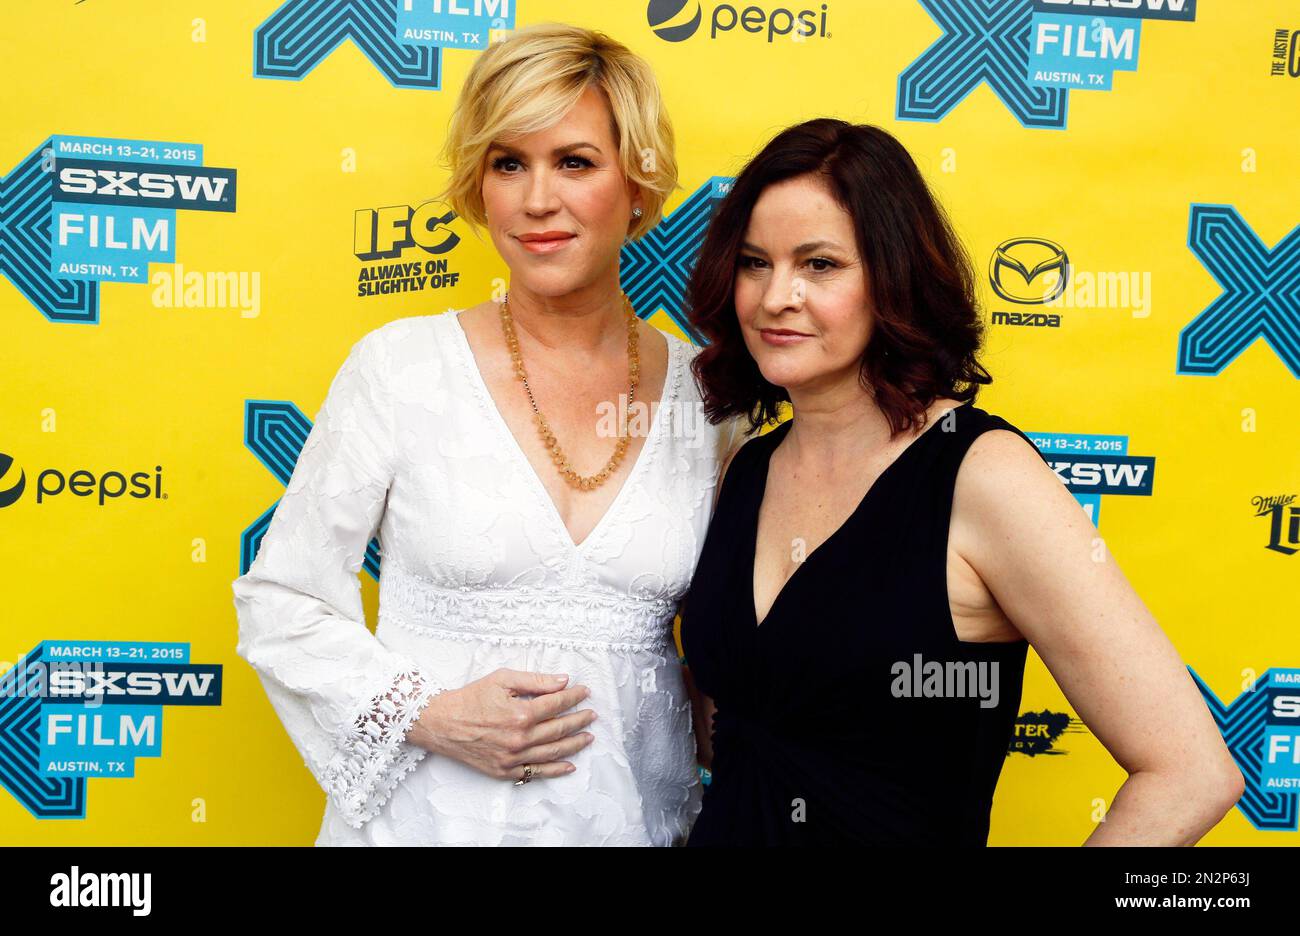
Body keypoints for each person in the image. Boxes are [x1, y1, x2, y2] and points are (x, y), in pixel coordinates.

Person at [232, 23, 741, 845]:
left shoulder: (711, 401)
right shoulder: (400, 368)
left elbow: (733, 647)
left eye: (575, 162)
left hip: (630, 826)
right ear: (480, 185)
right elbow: (283, 600)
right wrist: (430, 714)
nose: (538, 200)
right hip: (420, 825)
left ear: (639, 184)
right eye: (509, 163)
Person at [678, 118, 1245, 846]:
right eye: (756, 262)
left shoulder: (982, 474)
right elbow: (737, 732)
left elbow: (1193, 773)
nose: (776, 296)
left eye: (819, 265)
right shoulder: (747, 467)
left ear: (892, 278)